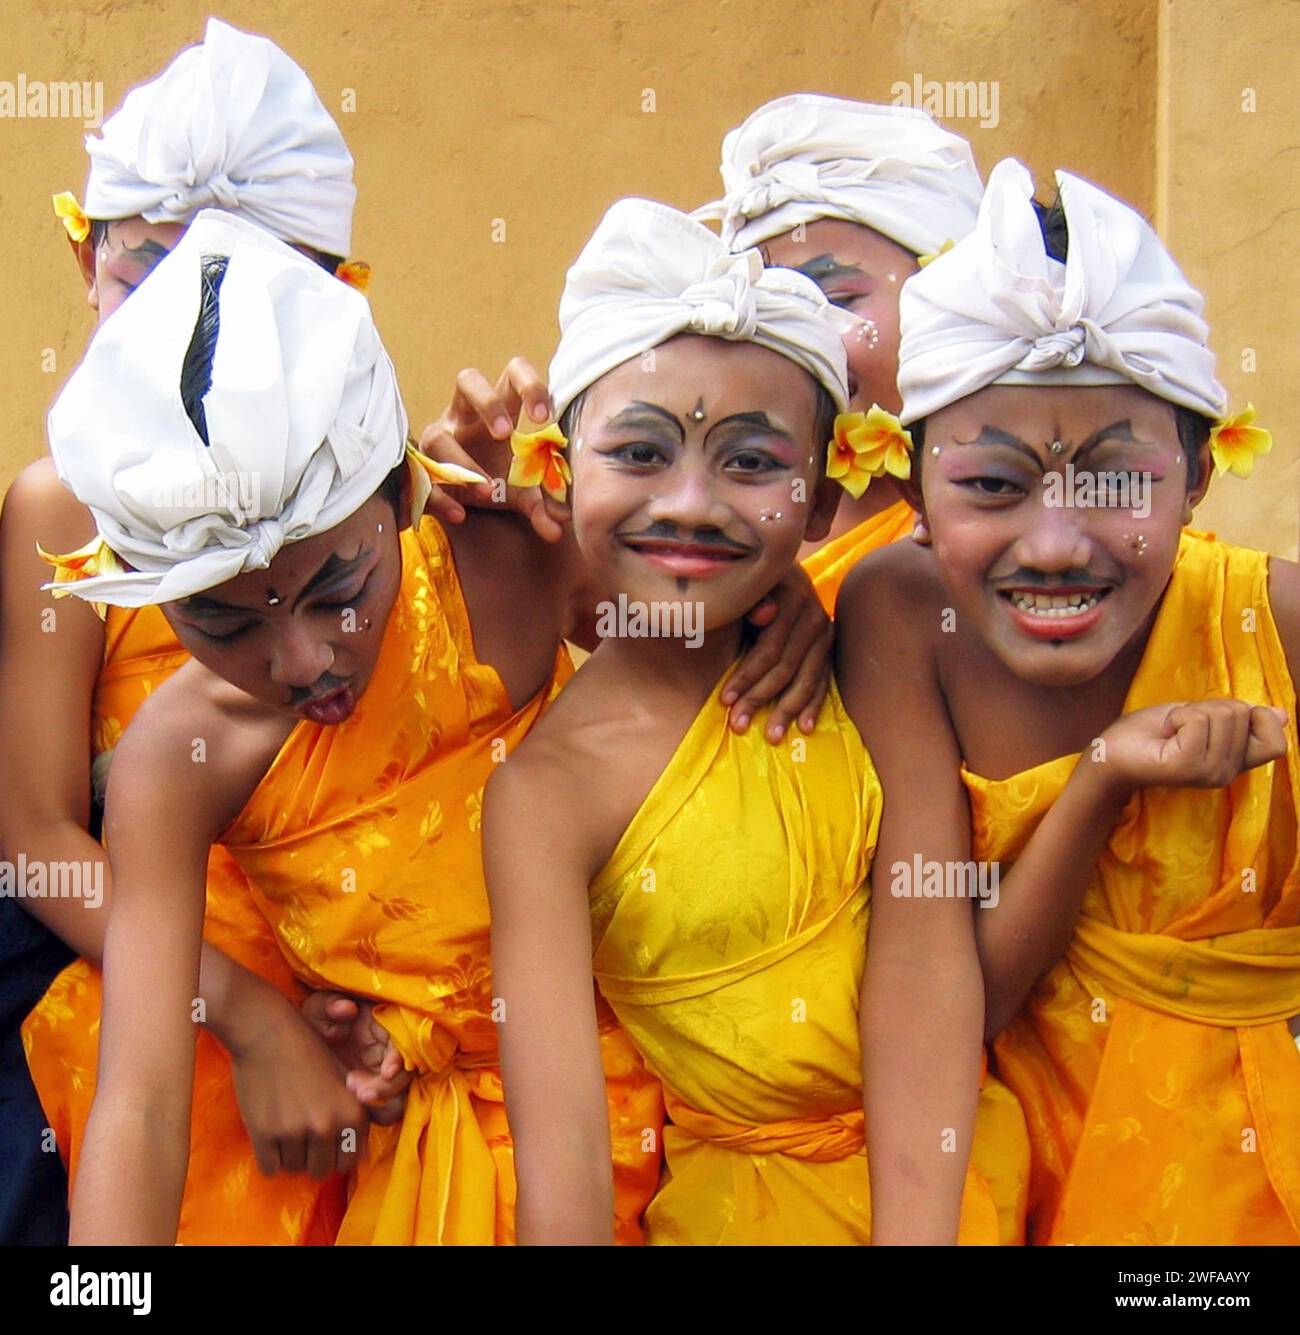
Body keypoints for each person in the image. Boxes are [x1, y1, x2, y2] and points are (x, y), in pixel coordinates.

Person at [44, 208, 834, 1244]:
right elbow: (140, 1105)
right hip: (407, 1158)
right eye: (222, 622)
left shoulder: (497, 564)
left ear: (405, 493)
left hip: (639, 1115)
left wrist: (800, 611)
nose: (301, 659)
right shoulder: (174, 766)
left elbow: (692, 580)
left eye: (340, 589)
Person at [485, 198, 1031, 1245]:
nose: (691, 504)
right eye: (639, 454)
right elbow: (563, 1168)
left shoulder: (875, 637)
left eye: (749, 463)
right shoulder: (545, 794)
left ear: (823, 491)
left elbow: (926, 958)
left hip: (969, 1184)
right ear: (560, 463)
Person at [838, 158, 1297, 1243]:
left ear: (1196, 478)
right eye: (992, 484)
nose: (1054, 545)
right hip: (1001, 1174)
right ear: (909, 491)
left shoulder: (1269, 623)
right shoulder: (903, 620)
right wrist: (1100, 785)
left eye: (1117, 480)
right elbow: (948, 989)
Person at [3, 17, 367, 1245]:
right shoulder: (61, 511)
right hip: (149, 989)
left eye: (250, 279)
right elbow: (36, 841)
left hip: (383, 1007)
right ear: (83, 264)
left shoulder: (376, 504)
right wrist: (250, 1014)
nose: (191, 326)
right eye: (145, 272)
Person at [695, 94, 983, 610]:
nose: (801, 337)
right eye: (768, 306)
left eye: (837, 299)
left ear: (950, 299)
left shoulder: (1006, 547)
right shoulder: (695, 515)